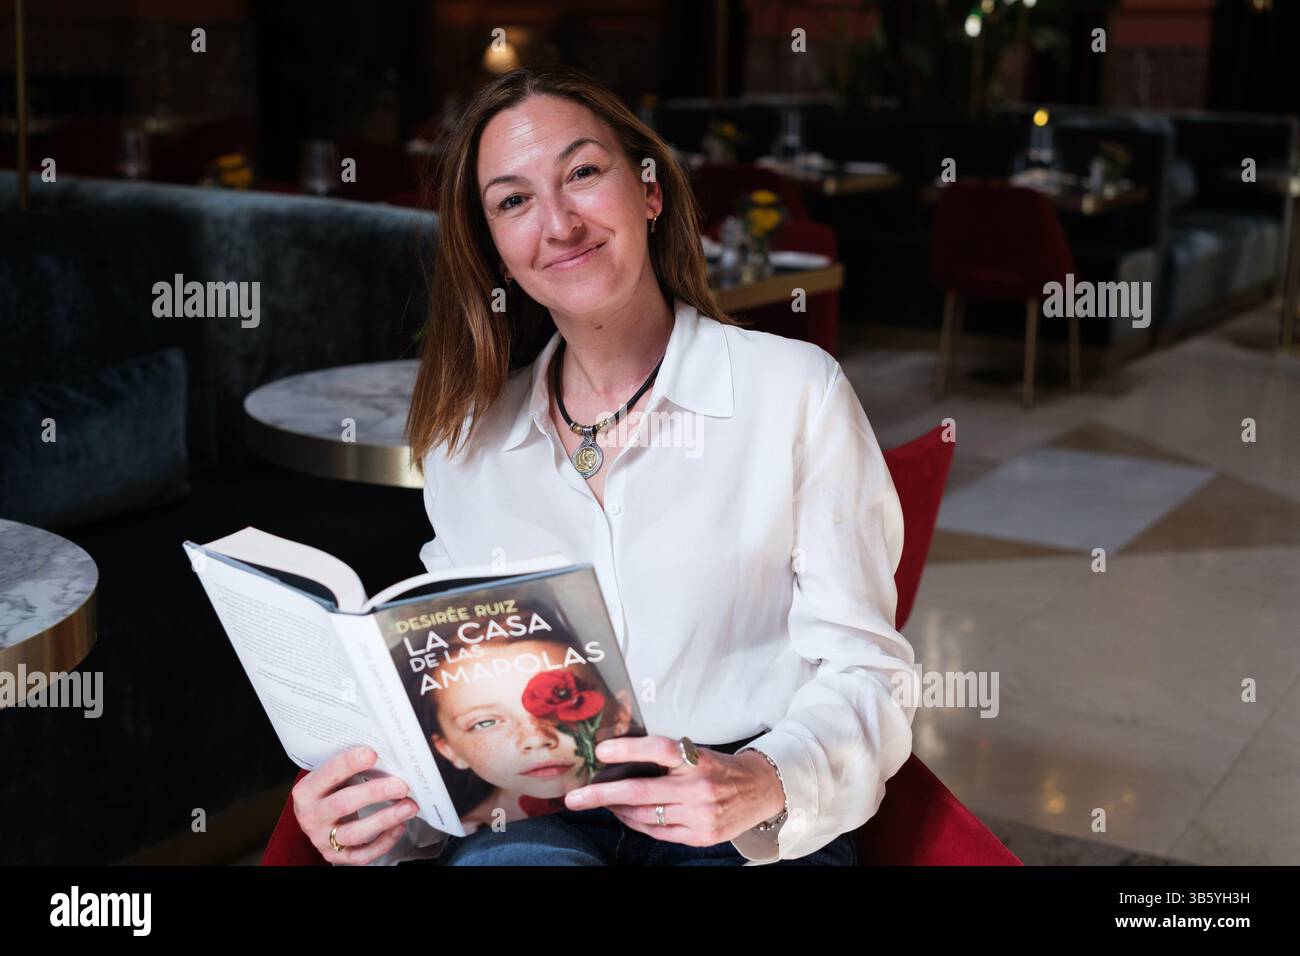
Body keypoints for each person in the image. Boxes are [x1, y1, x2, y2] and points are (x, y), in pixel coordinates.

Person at [290, 63, 915, 866]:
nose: (558, 223)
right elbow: (451, 697)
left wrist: (764, 778)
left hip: (735, 798)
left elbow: (869, 670)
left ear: (650, 192)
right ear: (495, 252)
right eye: (514, 201)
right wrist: (381, 815)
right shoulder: (466, 441)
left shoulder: (794, 391)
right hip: (539, 813)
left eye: (583, 173)